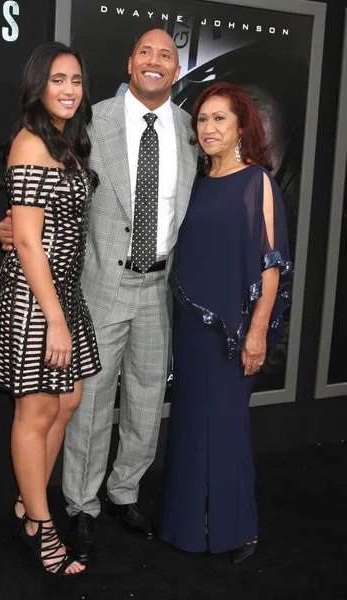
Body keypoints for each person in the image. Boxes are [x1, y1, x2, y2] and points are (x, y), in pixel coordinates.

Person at [0, 29, 199, 561]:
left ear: (176, 70)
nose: (155, 61)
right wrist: (14, 227)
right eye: (146, 52)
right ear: (130, 62)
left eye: (167, 55)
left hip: (158, 285)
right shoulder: (89, 120)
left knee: (146, 398)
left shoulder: (190, 129)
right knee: (84, 404)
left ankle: (124, 492)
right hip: (97, 284)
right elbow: (39, 192)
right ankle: (80, 505)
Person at [0, 41, 101, 575]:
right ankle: (41, 530)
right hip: (34, 296)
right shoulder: (30, 143)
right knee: (37, 411)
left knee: (66, 402)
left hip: (63, 290)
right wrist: (54, 319)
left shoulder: (66, 143)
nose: (69, 90)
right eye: (57, 80)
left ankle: (28, 507)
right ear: (38, 86)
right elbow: (26, 241)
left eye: (76, 80)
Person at [154, 82, 292, 563]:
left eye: (219, 118)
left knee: (227, 426)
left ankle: (238, 529)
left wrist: (257, 332)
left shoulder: (257, 182)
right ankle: (186, 525)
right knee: (190, 422)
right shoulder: (194, 180)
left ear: (241, 125)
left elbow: (270, 266)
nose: (208, 127)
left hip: (234, 332)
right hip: (190, 326)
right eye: (202, 119)